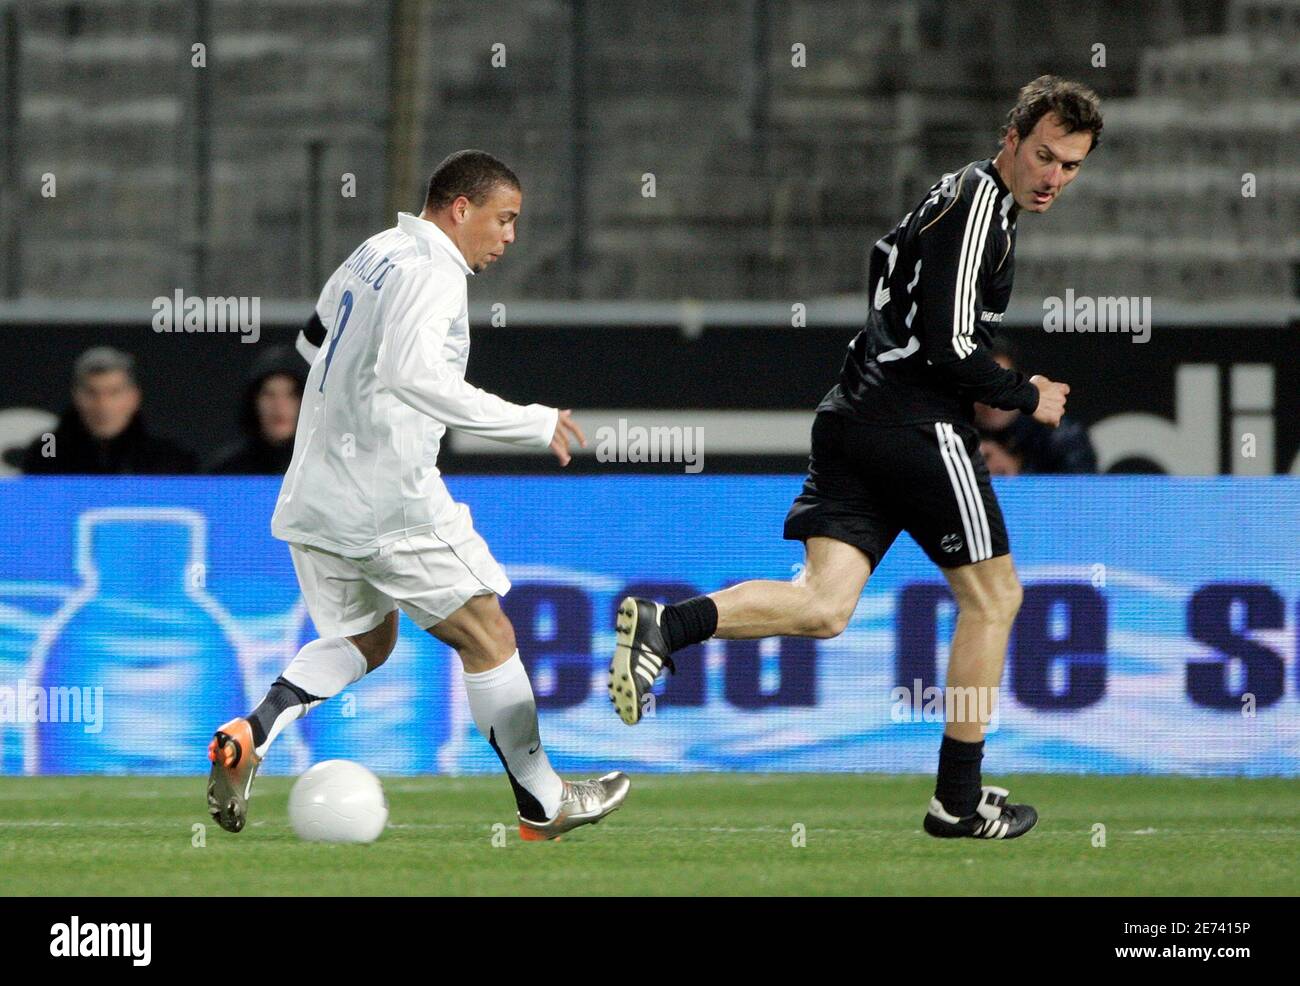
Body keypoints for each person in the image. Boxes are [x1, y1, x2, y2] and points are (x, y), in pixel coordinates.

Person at [611, 76, 1103, 841]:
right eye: (1044, 156)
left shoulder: (956, 198)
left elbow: (887, 276)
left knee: (822, 606)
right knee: (995, 599)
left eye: (1070, 166)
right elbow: (947, 347)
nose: (1054, 178)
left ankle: (666, 628)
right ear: (1010, 140)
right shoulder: (981, 206)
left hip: (853, 415)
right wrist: (1022, 392)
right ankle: (959, 797)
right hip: (913, 424)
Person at [207, 150, 629, 840]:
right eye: (505, 219)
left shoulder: (378, 250)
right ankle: (544, 803)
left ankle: (253, 730)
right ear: (460, 209)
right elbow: (411, 375)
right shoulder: (434, 272)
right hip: (386, 499)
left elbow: (312, 342)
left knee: (367, 639)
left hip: (314, 489)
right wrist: (530, 421)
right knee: (490, 634)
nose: (510, 238)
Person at [20, 346, 195, 474]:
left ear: (133, 398)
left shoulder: (168, 459)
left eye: (114, 393)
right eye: (92, 393)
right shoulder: (46, 455)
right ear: (76, 397)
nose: (103, 405)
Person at [974, 339, 1097, 475]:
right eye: (981, 387)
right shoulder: (955, 429)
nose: (992, 400)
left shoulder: (1057, 433)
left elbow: (1082, 489)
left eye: (1003, 386)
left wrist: (1014, 474)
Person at [204, 345, 306, 475]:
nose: (279, 405)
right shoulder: (226, 471)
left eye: (291, 394)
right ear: (253, 402)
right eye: (269, 394)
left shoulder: (326, 470)